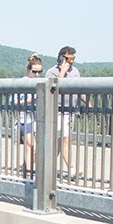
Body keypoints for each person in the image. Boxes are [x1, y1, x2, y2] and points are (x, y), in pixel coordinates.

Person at [44, 46, 84, 177]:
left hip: (69, 111)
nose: (71, 61)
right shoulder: (52, 72)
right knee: (64, 139)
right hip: (56, 111)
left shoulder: (75, 72)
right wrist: (62, 71)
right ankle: (71, 168)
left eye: (73, 58)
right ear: (61, 57)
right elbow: (52, 88)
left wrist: (88, 103)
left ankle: (47, 166)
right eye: (69, 58)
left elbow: (79, 90)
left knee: (60, 142)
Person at [15, 54, 43, 175]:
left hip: (38, 119)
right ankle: (28, 173)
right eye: (34, 72)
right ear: (28, 70)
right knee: (31, 145)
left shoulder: (42, 83)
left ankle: (27, 167)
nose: (37, 75)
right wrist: (30, 100)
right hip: (24, 119)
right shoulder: (22, 82)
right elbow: (14, 102)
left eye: (39, 72)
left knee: (36, 148)